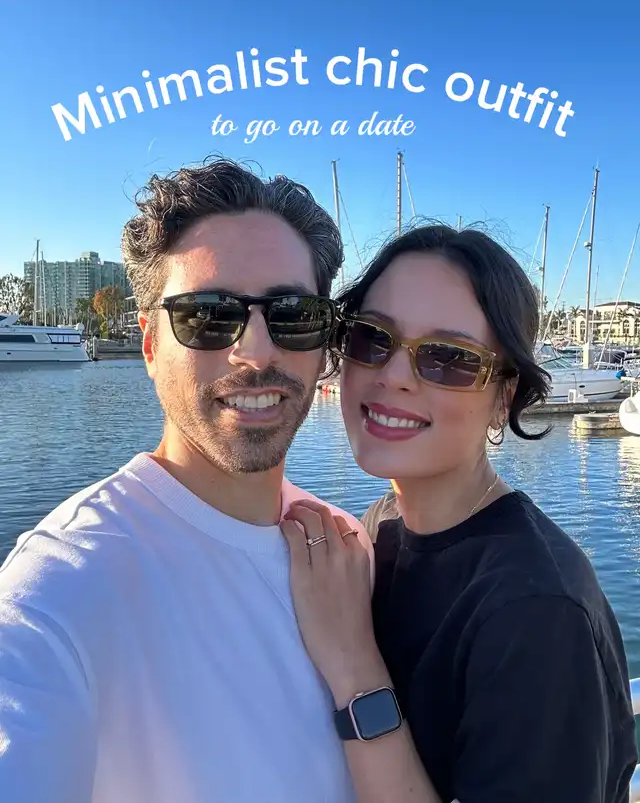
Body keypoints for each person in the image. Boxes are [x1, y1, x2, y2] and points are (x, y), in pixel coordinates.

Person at [0, 158, 373, 803]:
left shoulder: (343, 550)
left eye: (292, 314)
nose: (256, 351)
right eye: (208, 316)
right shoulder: (57, 595)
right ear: (150, 347)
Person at [281, 223, 638, 803]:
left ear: (504, 396)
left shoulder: (537, 610)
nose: (393, 375)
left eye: (448, 359)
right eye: (372, 338)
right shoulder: (380, 529)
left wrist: (353, 666)